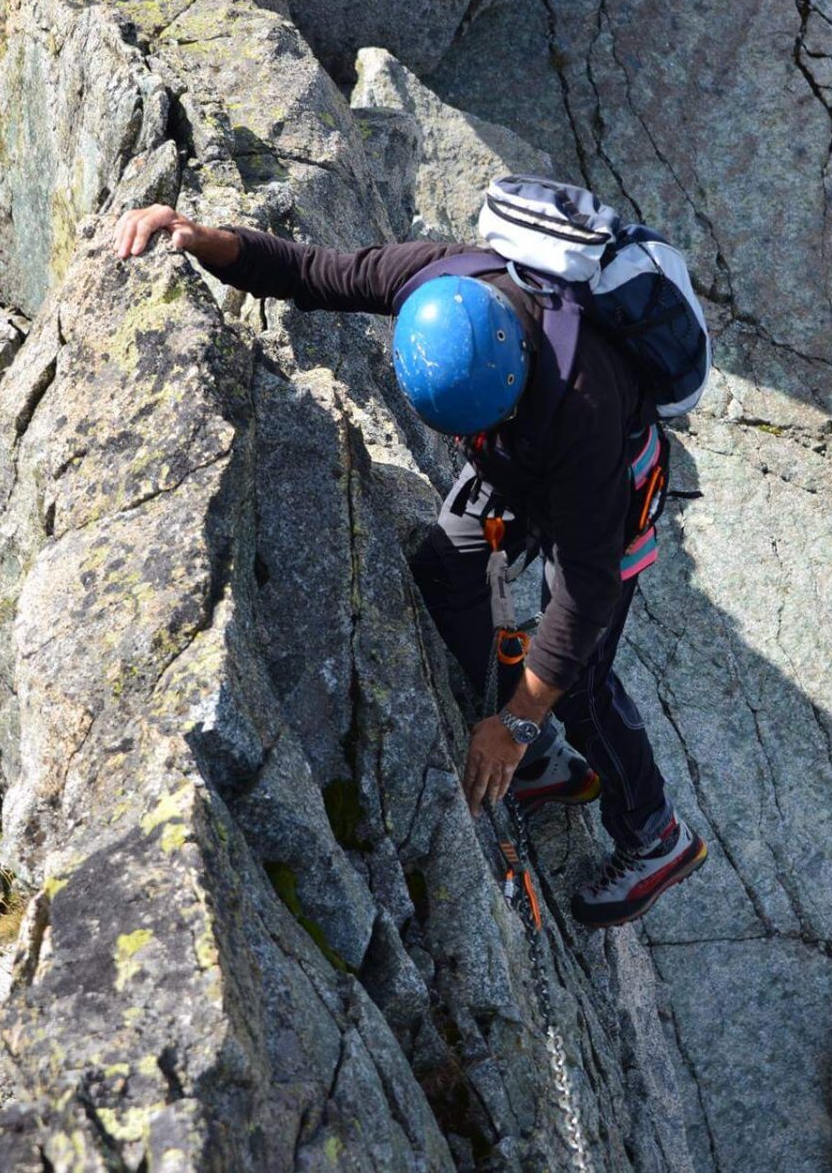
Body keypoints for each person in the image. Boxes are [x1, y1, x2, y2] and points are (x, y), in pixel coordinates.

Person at [112, 205, 706, 928]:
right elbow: (308, 271)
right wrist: (205, 240)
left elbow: (583, 598)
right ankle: (549, 763)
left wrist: (515, 721)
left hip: (607, 496)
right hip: (517, 459)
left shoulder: (584, 405)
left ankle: (655, 835)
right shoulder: (438, 280)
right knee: (444, 570)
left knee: (576, 684)